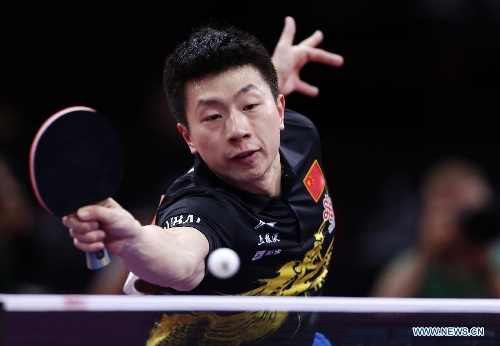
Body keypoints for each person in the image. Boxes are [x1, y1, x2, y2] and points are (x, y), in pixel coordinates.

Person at [63, 16, 343, 345]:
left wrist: (272, 75)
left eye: (251, 105)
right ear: (188, 137)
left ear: (280, 109)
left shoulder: (300, 135)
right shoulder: (202, 208)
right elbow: (180, 260)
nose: (238, 131)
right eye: (212, 117)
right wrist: (131, 241)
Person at [371, 156, 500, 298]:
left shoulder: (495, 256)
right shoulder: (412, 259)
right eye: (446, 211)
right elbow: (381, 311)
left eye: (465, 214)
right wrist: (425, 255)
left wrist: (483, 269)